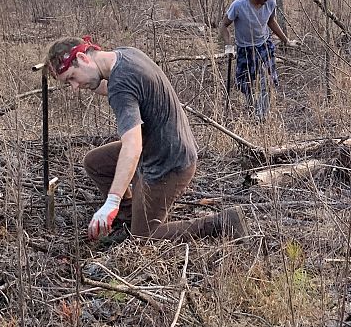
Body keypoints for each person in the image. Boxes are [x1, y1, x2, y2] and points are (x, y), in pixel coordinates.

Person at [46, 36, 243, 241]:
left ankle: (222, 222)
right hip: (163, 145)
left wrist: (112, 201)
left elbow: (132, 146)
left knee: (145, 236)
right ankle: (128, 218)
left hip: (170, 163)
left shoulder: (121, 85)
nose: (75, 87)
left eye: (72, 78)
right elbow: (110, 87)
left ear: (82, 58)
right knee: (95, 163)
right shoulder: (125, 55)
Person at [219, 0, 297, 117]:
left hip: (264, 46)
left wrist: (286, 41)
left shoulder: (271, 2)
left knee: (268, 80)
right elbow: (224, 25)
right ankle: (251, 109)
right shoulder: (238, 5)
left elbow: (271, 21)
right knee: (246, 83)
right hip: (245, 48)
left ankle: (261, 115)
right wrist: (229, 47)